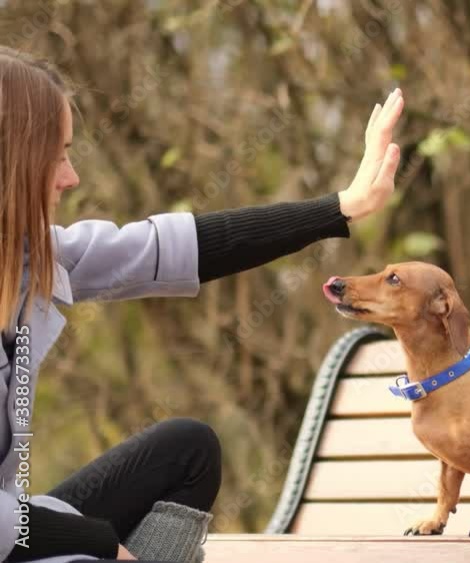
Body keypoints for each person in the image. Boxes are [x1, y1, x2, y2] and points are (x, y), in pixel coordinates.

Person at [0, 46, 404, 562]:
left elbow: (174, 249)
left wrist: (341, 208)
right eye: (56, 155)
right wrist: (99, 543)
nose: (71, 176)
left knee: (187, 450)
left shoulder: (31, 256)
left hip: (17, 526)